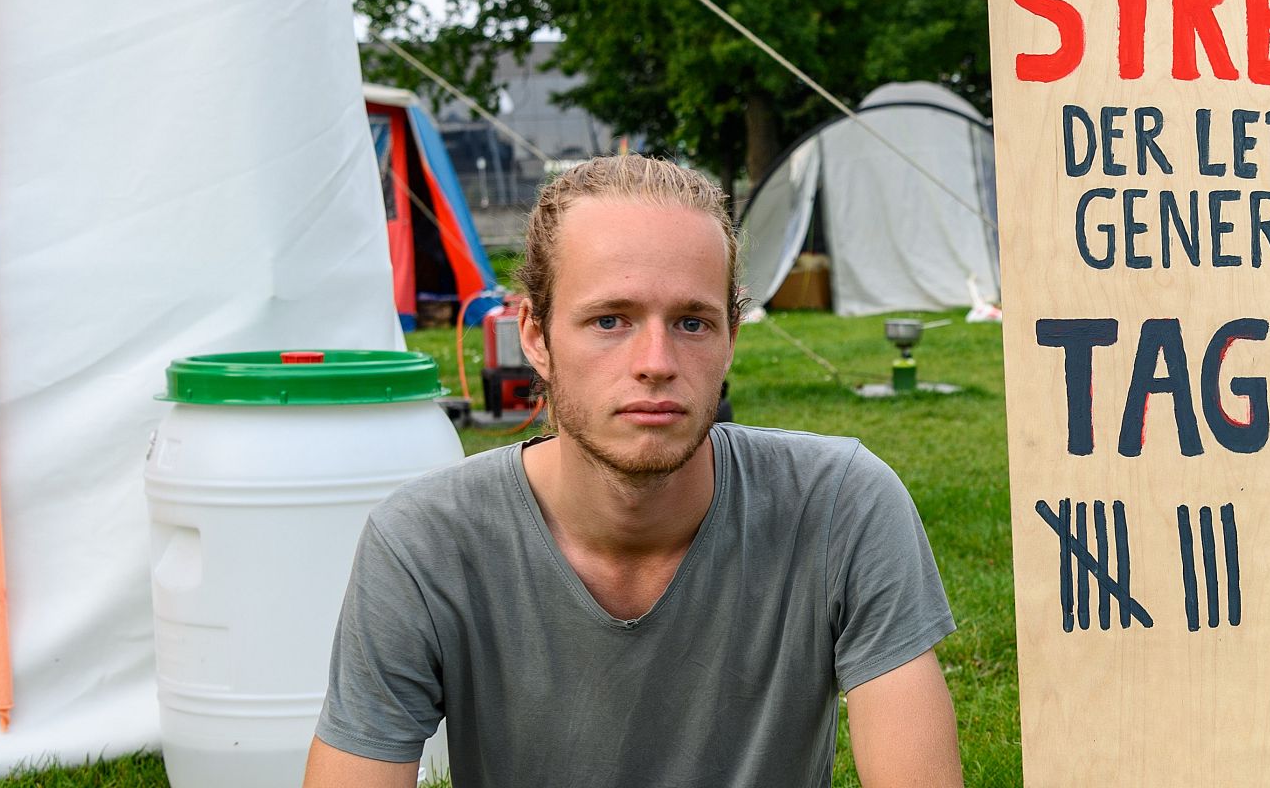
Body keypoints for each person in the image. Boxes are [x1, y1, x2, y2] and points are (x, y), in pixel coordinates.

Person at [303, 155, 963, 788]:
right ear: (534, 335)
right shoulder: (424, 543)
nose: (656, 362)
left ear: (732, 337)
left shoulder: (840, 505)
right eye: (610, 320)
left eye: (692, 323)